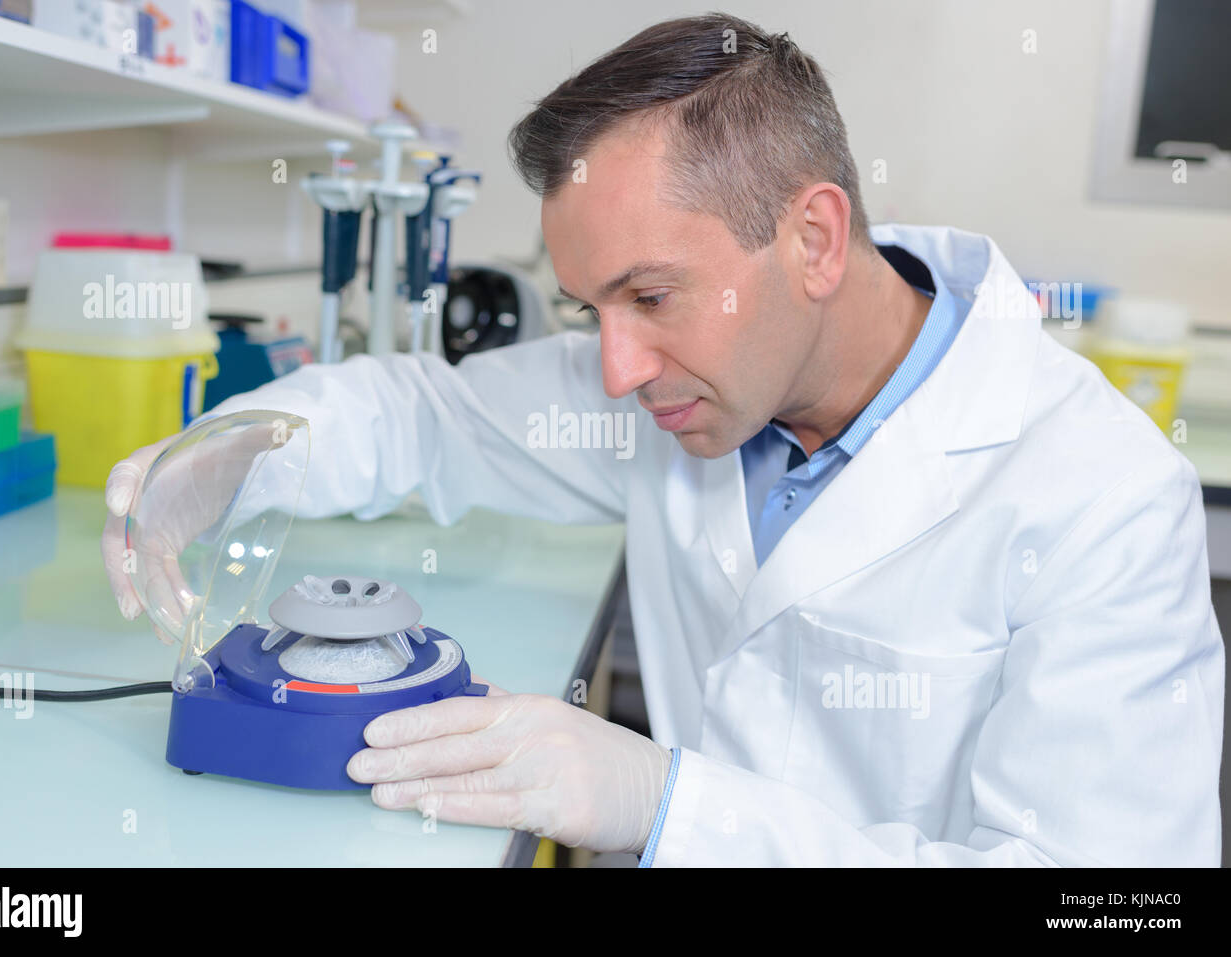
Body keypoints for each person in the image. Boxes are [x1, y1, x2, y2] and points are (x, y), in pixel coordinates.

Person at [102, 13, 1223, 865]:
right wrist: (227, 459)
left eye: (651, 295)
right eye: (594, 308)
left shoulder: (1102, 496)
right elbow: (425, 416)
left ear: (815, 240)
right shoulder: (689, 384)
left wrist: (671, 805)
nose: (614, 370)